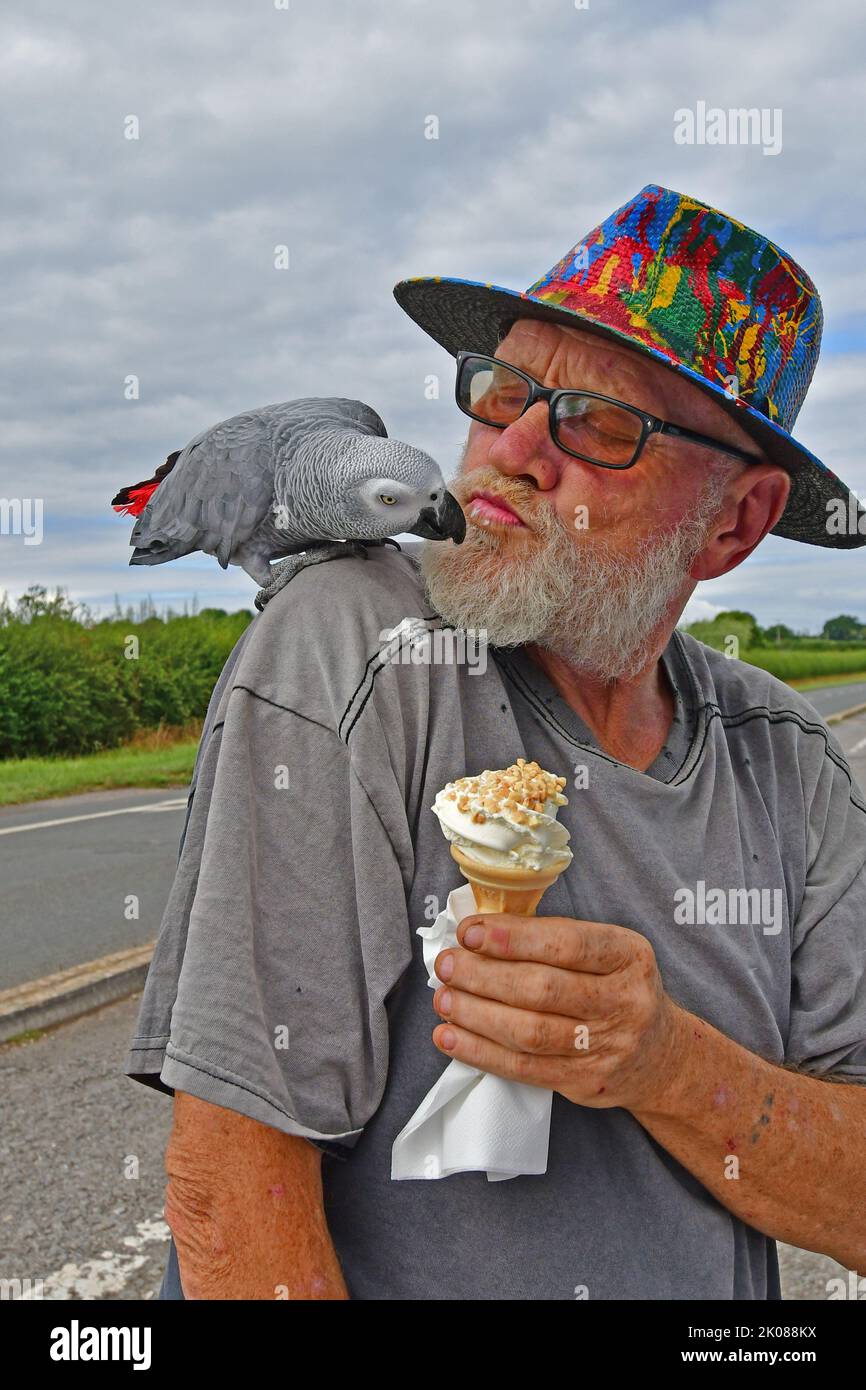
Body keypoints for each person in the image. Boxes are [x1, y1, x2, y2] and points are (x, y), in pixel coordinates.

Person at [126, 184, 866, 1300]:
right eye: (502, 390)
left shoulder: (787, 760)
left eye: (603, 423)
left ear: (735, 522)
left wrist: (665, 1062)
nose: (511, 448)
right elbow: (227, 1191)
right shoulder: (353, 642)